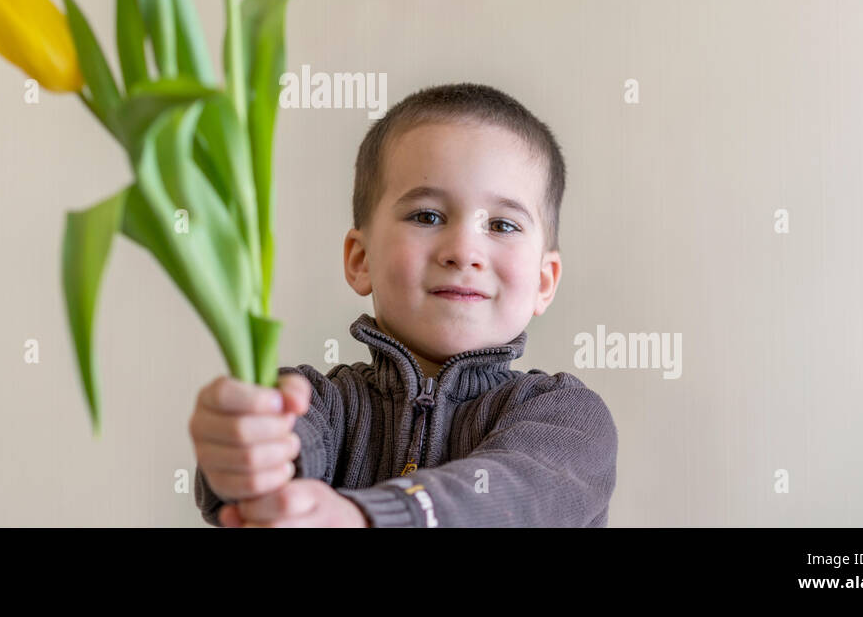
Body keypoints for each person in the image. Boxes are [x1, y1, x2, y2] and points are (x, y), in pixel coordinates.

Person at [188, 82, 618, 526]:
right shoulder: (311, 403)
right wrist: (248, 449)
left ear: (544, 282)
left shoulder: (570, 422)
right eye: (427, 216)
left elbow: (517, 495)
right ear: (361, 260)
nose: (464, 250)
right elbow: (275, 465)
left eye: (502, 225)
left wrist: (369, 517)